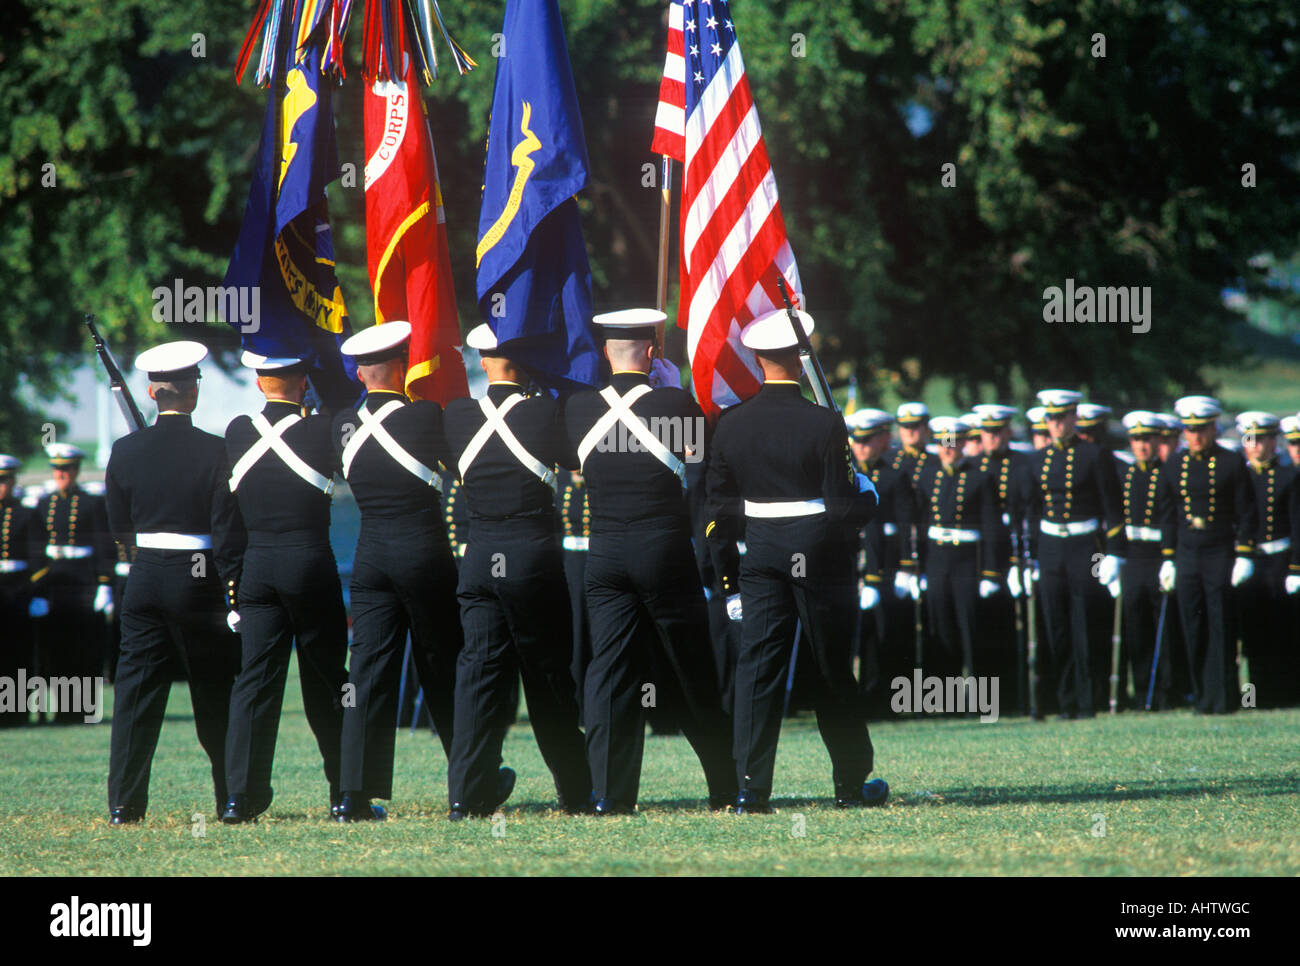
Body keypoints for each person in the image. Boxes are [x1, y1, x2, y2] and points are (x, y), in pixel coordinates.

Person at [705, 308, 886, 813]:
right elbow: (843, 508)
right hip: (818, 556)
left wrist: (729, 583)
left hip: (759, 554)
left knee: (757, 672)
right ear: (801, 357)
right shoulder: (825, 422)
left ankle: (750, 788)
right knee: (831, 669)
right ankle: (851, 785)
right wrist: (868, 495)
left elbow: (717, 510)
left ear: (759, 359)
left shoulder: (731, 425)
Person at [332, 321, 511, 821]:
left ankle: (351, 795)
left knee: (365, 675)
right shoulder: (428, 417)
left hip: (370, 559)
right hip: (424, 553)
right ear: (403, 362)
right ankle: (473, 783)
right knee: (448, 668)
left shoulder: (340, 424)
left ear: (362, 372)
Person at [563, 308, 736, 814]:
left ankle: (610, 796)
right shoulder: (674, 401)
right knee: (691, 670)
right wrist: (673, 390)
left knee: (611, 673)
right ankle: (726, 786)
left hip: (605, 555)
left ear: (604, 354)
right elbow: (700, 459)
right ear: (654, 353)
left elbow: (578, 461)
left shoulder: (577, 408)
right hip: (662, 549)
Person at [441, 324, 591, 819]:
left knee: (478, 677)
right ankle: (575, 789)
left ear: (482, 361)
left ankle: (466, 794)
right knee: (547, 676)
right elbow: (574, 458)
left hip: (479, 558)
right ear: (524, 361)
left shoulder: (459, 414)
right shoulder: (546, 410)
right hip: (531, 556)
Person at [105, 341, 245, 824]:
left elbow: (118, 526)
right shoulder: (215, 449)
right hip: (198, 578)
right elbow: (227, 530)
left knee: (136, 697)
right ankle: (231, 797)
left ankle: (124, 804)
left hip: (144, 579)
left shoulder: (124, 450)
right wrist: (232, 587)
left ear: (150, 392)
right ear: (193, 392)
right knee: (214, 694)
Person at [220, 352, 349, 823]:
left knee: (253, 685)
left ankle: (239, 798)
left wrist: (232, 584)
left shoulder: (237, 431)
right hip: (309, 563)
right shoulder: (322, 429)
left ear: (258, 381)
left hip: (256, 570)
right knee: (330, 682)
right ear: (304, 381)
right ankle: (345, 794)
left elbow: (225, 519)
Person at [1022, 390, 1126, 719]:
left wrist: (1115, 554)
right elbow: (1034, 512)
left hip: (1086, 547)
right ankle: (1064, 700)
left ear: (1073, 418)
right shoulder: (1037, 459)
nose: (1055, 424)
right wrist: (1031, 558)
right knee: (1056, 625)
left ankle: (1087, 700)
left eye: (1061, 418)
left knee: (1085, 623)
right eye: (1050, 419)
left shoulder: (1095, 455)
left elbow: (1114, 509)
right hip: (1052, 548)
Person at [1155, 396, 1256, 715]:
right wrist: (1168, 557)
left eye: (1201, 429)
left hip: (1219, 550)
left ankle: (1224, 696)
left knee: (1221, 623)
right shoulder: (1174, 465)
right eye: (1189, 430)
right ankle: (1200, 696)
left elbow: (1247, 511)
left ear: (1213, 428)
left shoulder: (1231, 462)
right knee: (1192, 623)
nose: (1195, 436)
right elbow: (1168, 514)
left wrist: (1244, 553)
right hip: (1187, 551)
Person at [912, 417, 1003, 681]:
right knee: (940, 625)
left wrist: (990, 572)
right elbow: (920, 524)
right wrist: (916, 568)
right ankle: (944, 696)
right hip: (937, 559)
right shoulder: (928, 477)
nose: (948, 449)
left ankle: (977, 694)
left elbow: (990, 527)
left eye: (953, 443)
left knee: (969, 625)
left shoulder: (979, 478)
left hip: (966, 559)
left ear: (963, 444)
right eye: (943, 444)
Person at [31, 444, 115, 721]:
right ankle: (61, 710)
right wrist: (38, 589)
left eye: (66, 469)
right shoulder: (44, 504)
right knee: (56, 647)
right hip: (55, 579)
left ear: (76, 470)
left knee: (85, 645)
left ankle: (84, 709)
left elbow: (105, 545)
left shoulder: (92, 503)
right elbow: (37, 548)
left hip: (83, 580)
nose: (61, 474)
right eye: (57, 469)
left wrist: (104, 584)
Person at [846, 409, 910, 716]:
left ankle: (885, 697)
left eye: (867, 441)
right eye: (857, 441)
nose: (861, 447)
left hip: (883, 564)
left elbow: (905, 523)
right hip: (851, 565)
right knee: (856, 635)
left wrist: (907, 567)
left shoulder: (893, 475)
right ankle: (859, 696)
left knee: (885, 633)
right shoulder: (843, 473)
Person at [1234, 411, 1295, 708]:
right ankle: (1255, 698)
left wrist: (1296, 567)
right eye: (1250, 440)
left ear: (1274, 442)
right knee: (1253, 633)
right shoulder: (1239, 476)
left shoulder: (1289, 476)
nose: (1256, 446)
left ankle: (1287, 693)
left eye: (1262, 440)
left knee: (1284, 629)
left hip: (1280, 561)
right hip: (1250, 562)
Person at [972, 403, 1029, 710]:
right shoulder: (973, 465)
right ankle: (990, 700)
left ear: (1008, 432)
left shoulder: (1022, 464)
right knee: (986, 627)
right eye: (987, 432)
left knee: (1013, 628)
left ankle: (1015, 695)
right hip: (984, 556)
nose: (992, 438)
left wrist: (1023, 563)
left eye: (997, 432)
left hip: (1014, 550)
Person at [1117, 411, 1169, 709]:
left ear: (1157, 441)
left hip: (1159, 555)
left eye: (1147, 439)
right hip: (1133, 557)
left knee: (1162, 626)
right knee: (1135, 626)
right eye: (1136, 440)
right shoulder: (1126, 475)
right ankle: (1141, 692)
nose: (1141, 445)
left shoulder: (1168, 473)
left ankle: (1164, 691)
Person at [0, 455, 41, 727]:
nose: (3, 485)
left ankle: (18, 711)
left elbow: (38, 556)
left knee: (19, 652)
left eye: (6, 479)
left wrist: (36, 591)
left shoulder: (27, 514)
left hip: (18, 588)